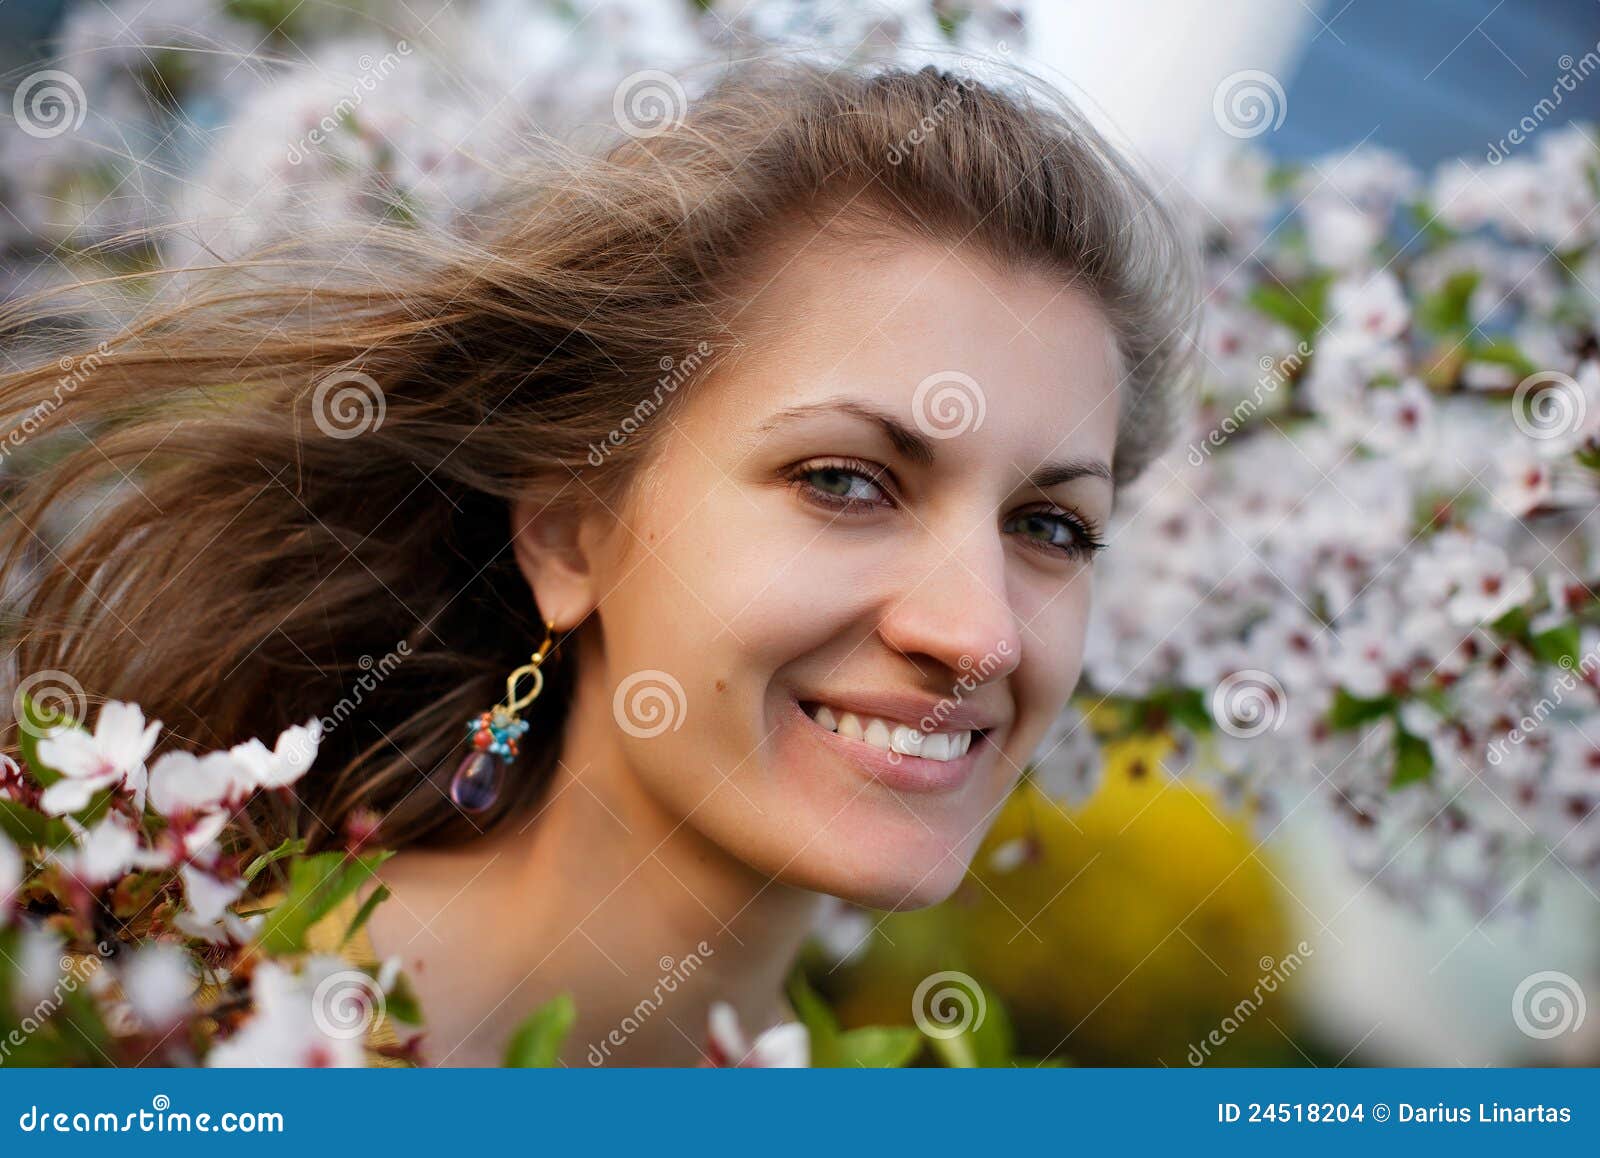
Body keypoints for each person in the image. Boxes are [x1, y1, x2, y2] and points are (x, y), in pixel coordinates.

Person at [0, 58, 1195, 1065]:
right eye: (842, 481)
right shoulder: (159, 1028)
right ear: (570, 533)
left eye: (1049, 527)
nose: (977, 632)